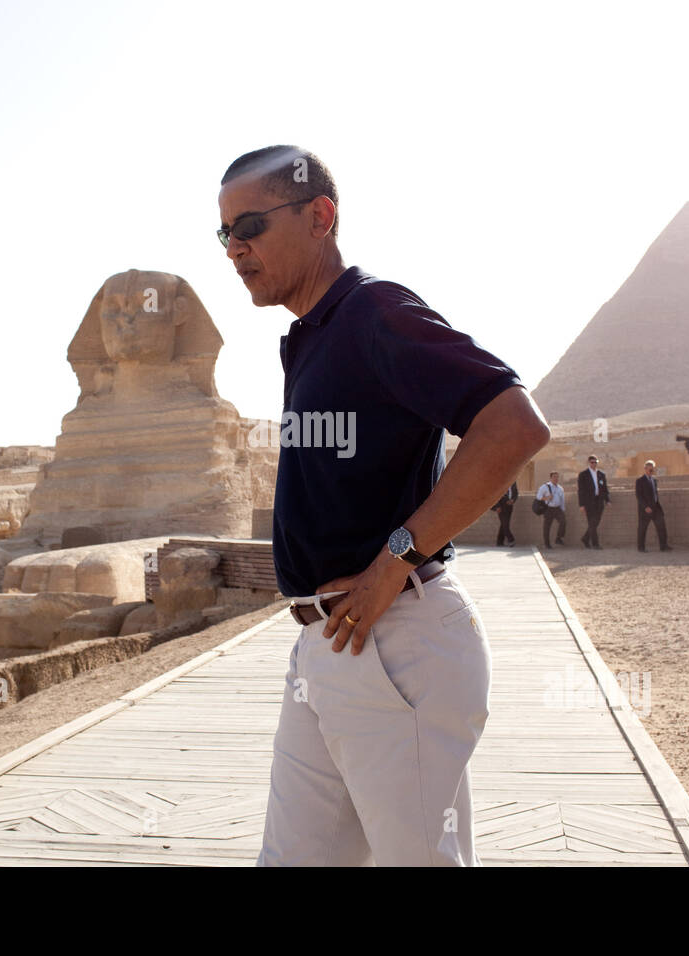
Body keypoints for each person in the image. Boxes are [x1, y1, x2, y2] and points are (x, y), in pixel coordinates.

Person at [218, 145, 550, 867]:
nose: (234, 248)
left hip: (397, 643)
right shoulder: (310, 338)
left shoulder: (374, 311)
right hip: (325, 646)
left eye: (249, 225)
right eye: (224, 235)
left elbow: (514, 424)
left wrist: (397, 558)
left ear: (320, 216)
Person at [635, 460, 672, 553]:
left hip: (656, 508)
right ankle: (641, 547)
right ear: (645, 469)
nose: (651, 471)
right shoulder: (640, 480)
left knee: (661, 526)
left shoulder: (654, 480)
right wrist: (645, 507)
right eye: (650, 470)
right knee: (642, 528)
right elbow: (639, 496)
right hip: (646, 509)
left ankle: (663, 546)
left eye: (652, 470)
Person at [576, 454, 611, 548]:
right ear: (589, 463)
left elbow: (604, 488)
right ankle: (595, 544)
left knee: (595, 522)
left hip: (599, 501)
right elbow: (581, 490)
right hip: (589, 502)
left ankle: (585, 538)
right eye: (592, 462)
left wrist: (607, 500)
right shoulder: (583, 475)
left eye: (596, 462)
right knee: (592, 522)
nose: (594, 464)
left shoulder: (601, 474)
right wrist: (581, 504)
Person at [536, 471, 567, 547]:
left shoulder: (560, 488)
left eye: (557, 477)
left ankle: (558, 538)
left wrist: (562, 509)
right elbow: (538, 497)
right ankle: (547, 544)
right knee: (547, 526)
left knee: (563, 521)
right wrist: (547, 497)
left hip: (557, 508)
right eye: (554, 477)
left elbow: (562, 500)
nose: (556, 478)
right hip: (548, 508)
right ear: (550, 478)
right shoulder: (545, 487)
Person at [491, 481, 518, 546]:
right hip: (501, 505)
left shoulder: (513, 482)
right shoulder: (499, 481)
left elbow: (516, 493)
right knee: (505, 524)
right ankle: (511, 540)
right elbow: (494, 494)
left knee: (504, 524)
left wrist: (513, 500)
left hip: (509, 505)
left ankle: (499, 542)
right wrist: (497, 506)